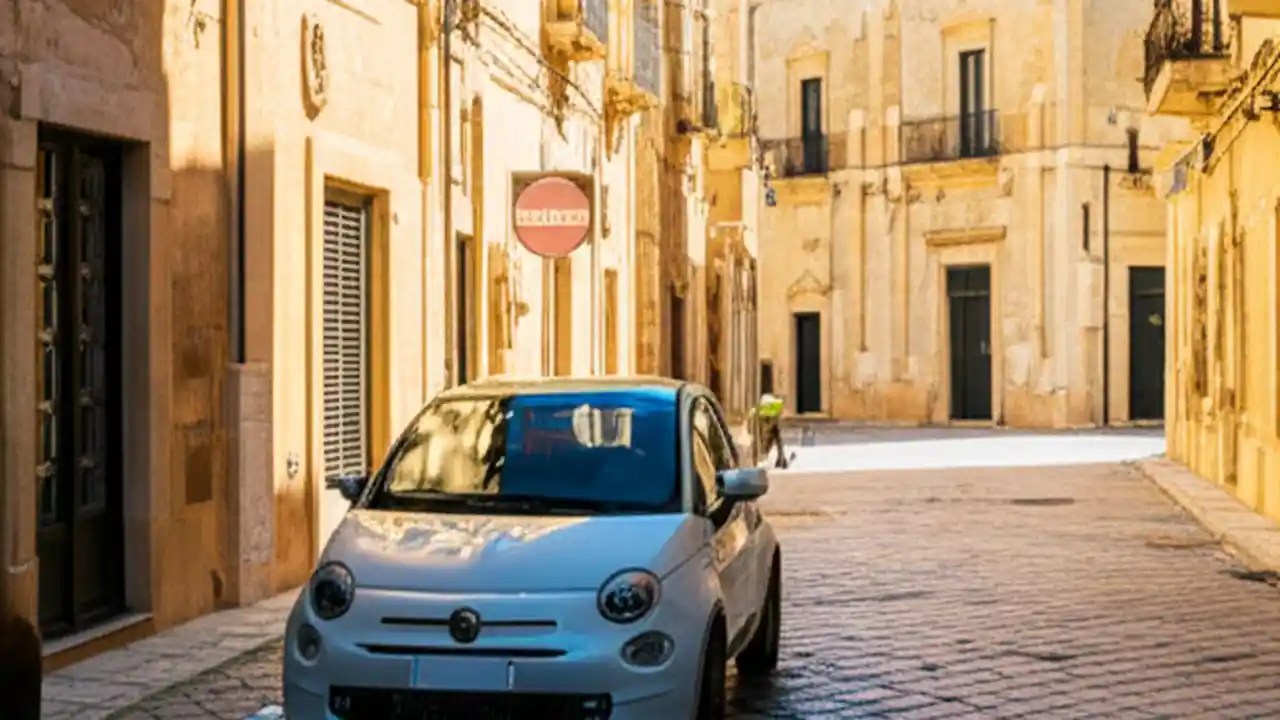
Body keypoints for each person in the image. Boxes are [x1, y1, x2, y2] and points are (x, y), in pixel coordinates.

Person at [755, 393, 790, 469]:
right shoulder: (771, 408)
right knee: (775, 440)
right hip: (771, 421)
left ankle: (778, 459)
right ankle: (780, 459)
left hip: (770, 422)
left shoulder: (764, 408)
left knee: (769, 440)